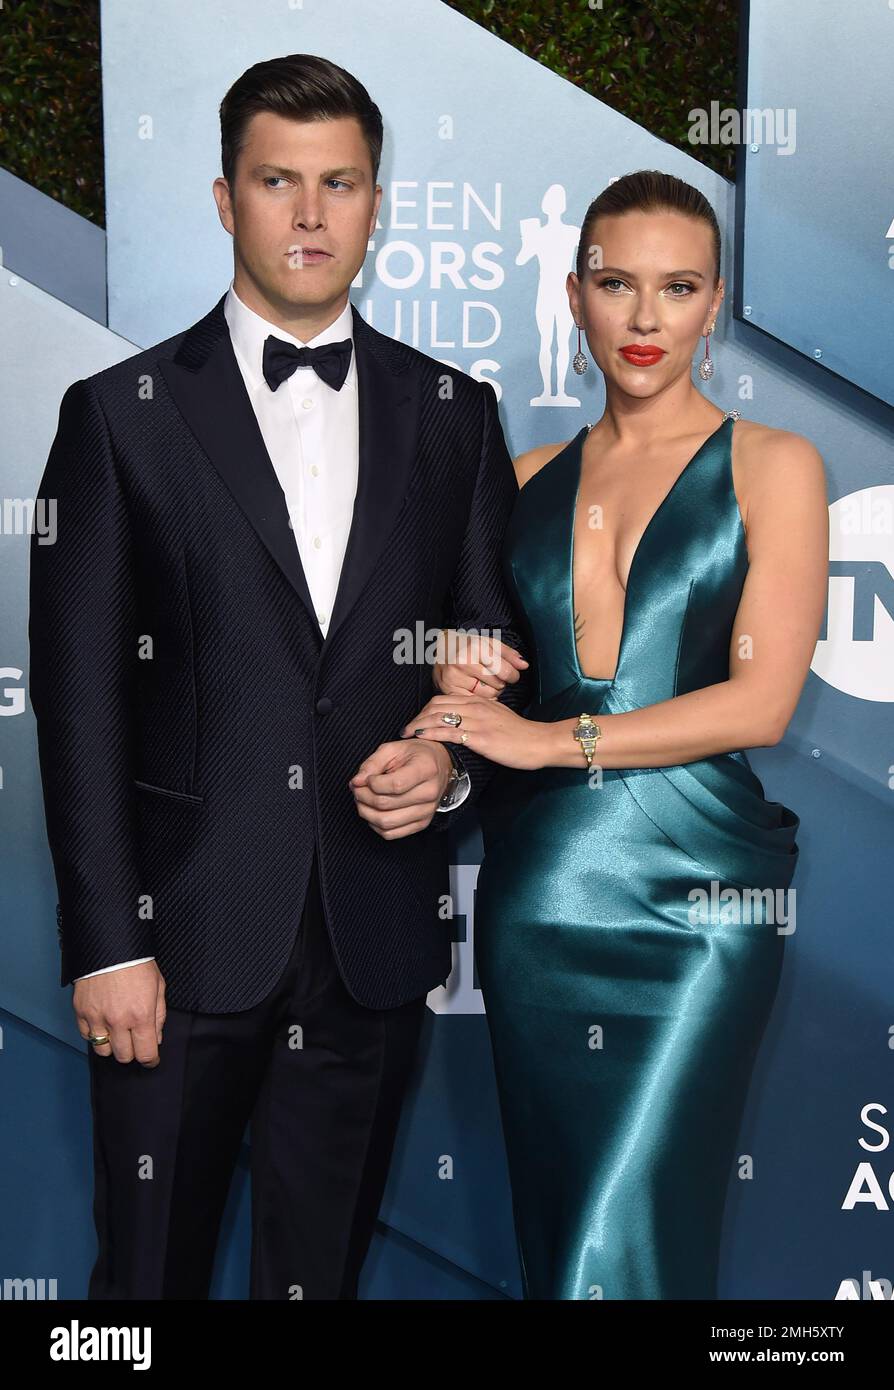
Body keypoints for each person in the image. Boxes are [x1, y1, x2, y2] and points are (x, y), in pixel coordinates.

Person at [28, 52, 530, 1300]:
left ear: (375, 203)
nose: (310, 215)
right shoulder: (119, 415)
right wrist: (104, 944)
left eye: (339, 184)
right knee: (141, 1288)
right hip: (175, 944)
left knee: (321, 1283)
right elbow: (80, 700)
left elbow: (487, 638)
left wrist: (450, 758)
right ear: (222, 197)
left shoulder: (454, 412)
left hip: (368, 937)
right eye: (277, 182)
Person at [402, 170, 829, 1299]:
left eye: (677, 287)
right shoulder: (522, 480)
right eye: (617, 284)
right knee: (564, 1247)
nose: (645, 319)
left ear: (716, 303)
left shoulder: (776, 466)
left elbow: (760, 703)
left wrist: (552, 744)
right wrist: (452, 689)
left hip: (698, 911)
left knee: (624, 1241)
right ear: (575, 294)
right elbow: (474, 687)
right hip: (542, 905)